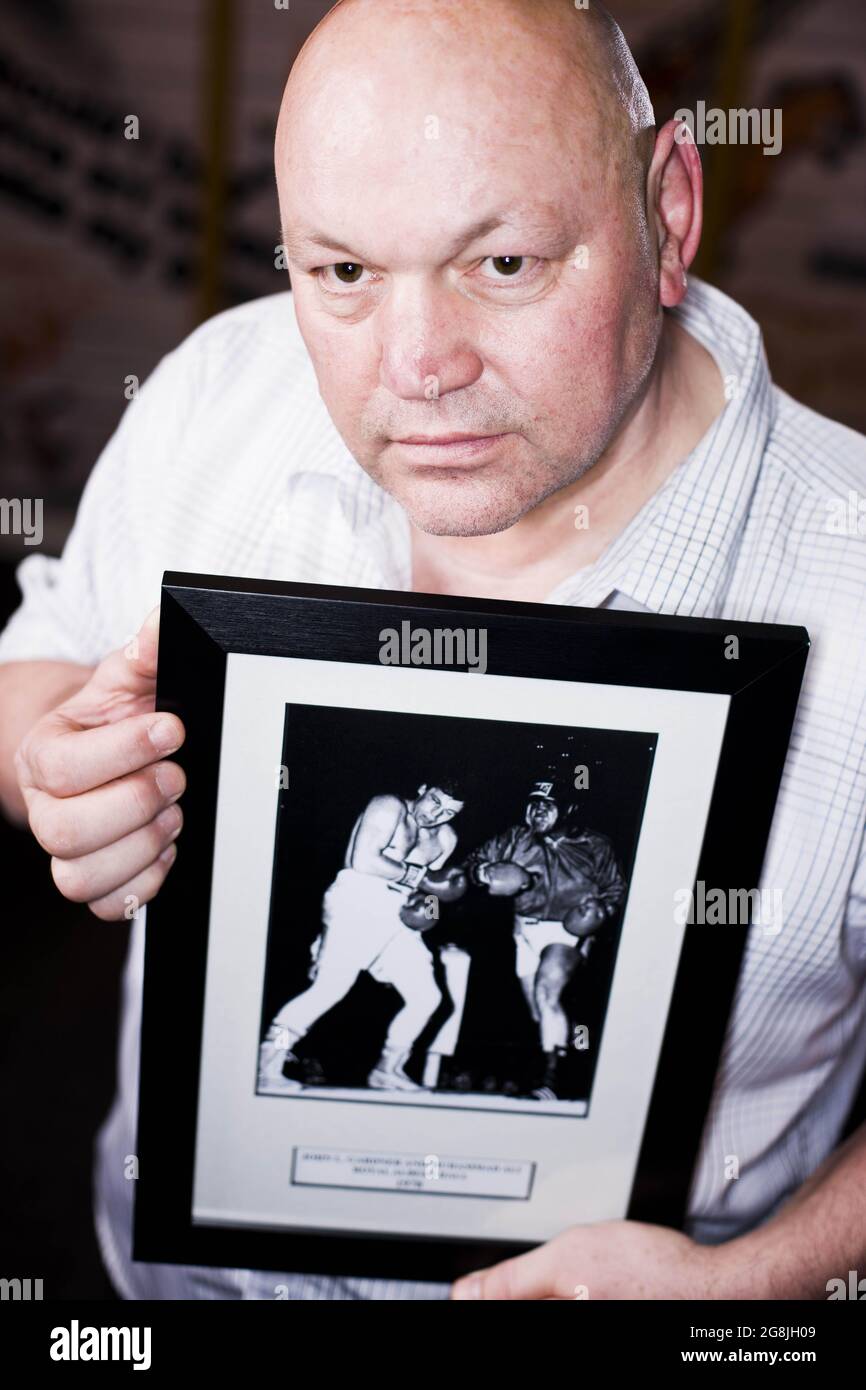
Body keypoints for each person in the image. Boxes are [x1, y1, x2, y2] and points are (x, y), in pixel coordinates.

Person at [0, 0, 864, 1301]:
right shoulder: (217, 393)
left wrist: (755, 1279)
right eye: (341, 273)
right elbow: (42, 660)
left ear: (668, 211)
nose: (415, 369)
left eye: (501, 263)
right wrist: (53, 762)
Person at [259, 780, 466, 1094]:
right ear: (423, 789)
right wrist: (422, 878)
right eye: (436, 802)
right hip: (358, 898)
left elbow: (430, 896)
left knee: (427, 997)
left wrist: (432, 912)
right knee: (329, 988)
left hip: (399, 916)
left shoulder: (446, 838)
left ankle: (388, 1069)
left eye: (449, 812)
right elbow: (363, 861)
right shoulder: (388, 806)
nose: (438, 815)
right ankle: (267, 1063)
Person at [465, 780, 624, 1099]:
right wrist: (485, 873)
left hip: (567, 932)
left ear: (568, 809)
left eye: (547, 805)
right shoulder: (513, 838)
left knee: (546, 993)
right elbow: (469, 866)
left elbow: (616, 889)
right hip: (524, 930)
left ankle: (551, 1082)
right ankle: (571, 1062)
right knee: (540, 1011)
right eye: (533, 803)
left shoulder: (595, 845)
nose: (537, 810)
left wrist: (601, 910)